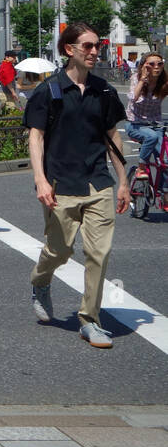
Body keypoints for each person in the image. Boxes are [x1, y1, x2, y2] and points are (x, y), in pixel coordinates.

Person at [26, 23, 131, 349]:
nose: (94, 51)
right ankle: (40, 281)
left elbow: (112, 137)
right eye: (87, 46)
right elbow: (36, 136)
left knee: (99, 253)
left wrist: (123, 181)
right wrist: (40, 180)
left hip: (98, 182)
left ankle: (89, 320)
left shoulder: (103, 90)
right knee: (60, 250)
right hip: (60, 184)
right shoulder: (49, 91)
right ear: (69, 49)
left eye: (97, 46)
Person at [124, 53, 166, 174]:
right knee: (151, 137)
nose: (156, 67)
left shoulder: (164, 81)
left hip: (156, 124)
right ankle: (141, 167)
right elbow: (133, 98)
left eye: (160, 64)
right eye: (151, 64)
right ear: (143, 66)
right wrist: (143, 79)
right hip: (135, 124)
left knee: (165, 160)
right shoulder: (136, 78)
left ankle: (163, 191)